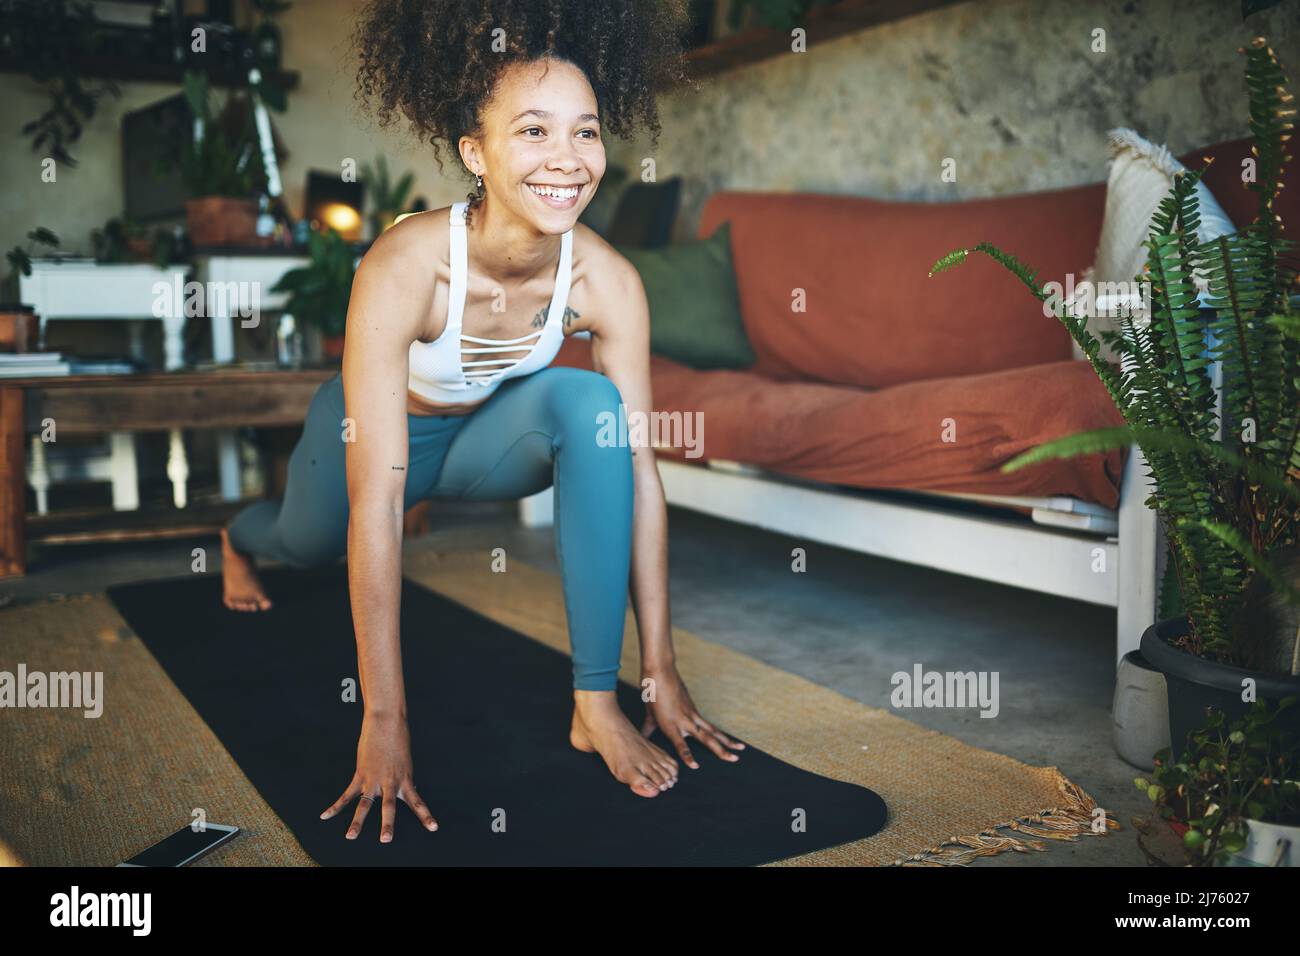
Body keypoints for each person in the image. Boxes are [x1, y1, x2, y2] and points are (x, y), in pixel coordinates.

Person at [218, 0, 744, 844]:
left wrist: (663, 673)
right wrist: (384, 720)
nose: (567, 161)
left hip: (481, 443)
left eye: (587, 132)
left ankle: (594, 703)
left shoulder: (604, 280)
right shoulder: (409, 265)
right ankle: (238, 540)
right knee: (299, 543)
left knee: (594, 409)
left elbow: (641, 478)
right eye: (533, 132)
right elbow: (378, 503)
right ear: (477, 153)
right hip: (368, 441)